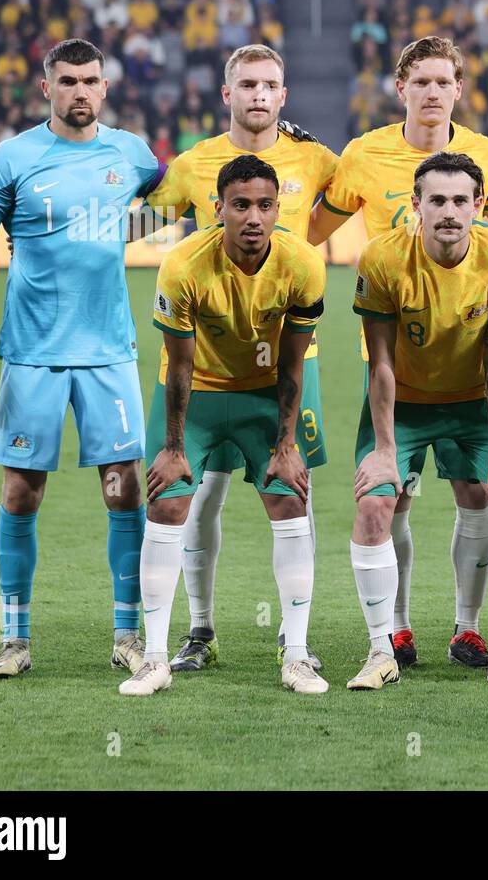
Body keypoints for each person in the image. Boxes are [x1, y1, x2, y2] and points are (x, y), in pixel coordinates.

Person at [309, 36, 488, 671]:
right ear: (402, 89)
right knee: (386, 495)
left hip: (472, 380)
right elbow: (308, 226)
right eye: (419, 81)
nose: (431, 92)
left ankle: (472, 630)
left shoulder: (483, 158)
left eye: (442, 81)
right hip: (399, 357)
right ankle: (393, 631)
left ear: (458, 88)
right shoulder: (364, 154)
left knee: (484, 497)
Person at [0, 38, 164, 679]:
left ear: (105, 87)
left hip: (109, 352)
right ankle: (14, 640)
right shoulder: (15, 157)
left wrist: (261, 142)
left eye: (90, 80)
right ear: (47, 88)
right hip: (32, 353)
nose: (80, 91)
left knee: (122, 491)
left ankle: (127, 634)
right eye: (68, 81)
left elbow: (190, 199)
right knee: (21, 492)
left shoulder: (132, 153)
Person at [139, 43, 338, 672]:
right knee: (202, 494)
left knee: (294, 489)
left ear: (284, 95)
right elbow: (139, 222)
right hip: (209, 357)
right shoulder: (195, 164)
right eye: (246, 83)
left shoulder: (318, 159)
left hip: (289, 356)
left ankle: (293, 635)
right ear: (226, 94)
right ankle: (199, 629)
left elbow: (379, 196)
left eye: (270, 84)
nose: (258, 93)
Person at [121, 154, 327, 696]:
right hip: (200, 398)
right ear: (218, 210)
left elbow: (292, 361)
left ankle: (298, 656)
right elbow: (180, 365)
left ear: (278, 208)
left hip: (263, 396)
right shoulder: (184, 265)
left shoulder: (303, 264)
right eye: (240, 205)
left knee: (290, 496)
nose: (253, 217)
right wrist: (171, 446)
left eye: (264, 205)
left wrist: (287, 442)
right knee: (168, 502)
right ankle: (157, 659)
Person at [347, 152, 488, 690]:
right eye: (437, 200)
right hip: (403, 400)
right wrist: (385, 450)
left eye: (460, 200)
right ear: (416, 205)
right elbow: (380, 361)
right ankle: (383, 645)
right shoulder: (382, 260)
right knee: (377, 501)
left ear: (479, 205)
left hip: (475, 402)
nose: (449, 211)